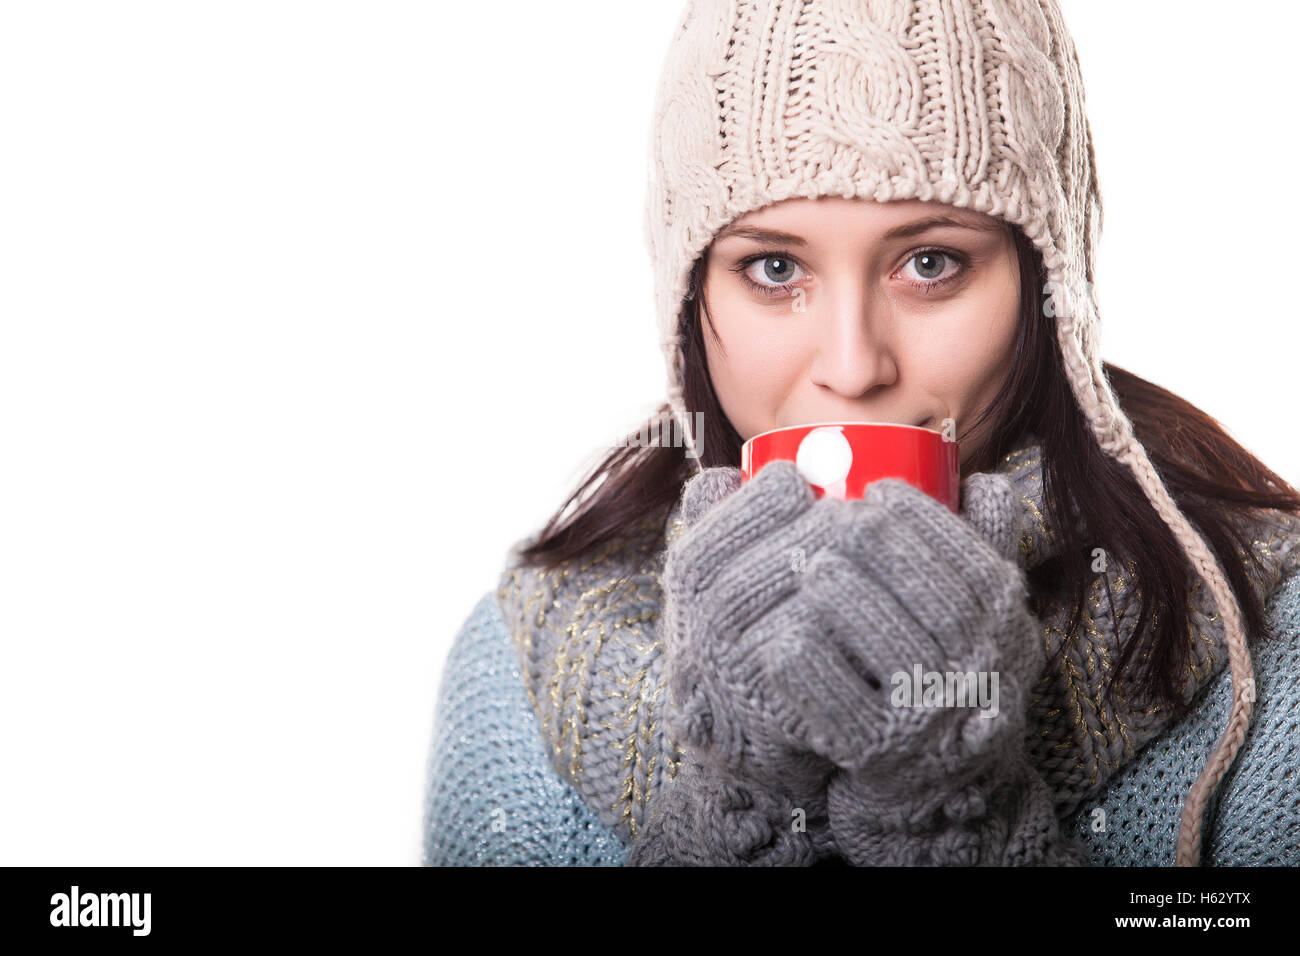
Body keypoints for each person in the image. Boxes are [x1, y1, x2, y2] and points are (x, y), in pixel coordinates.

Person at [421, 0, 1300, 866]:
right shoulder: (517, 673)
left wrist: (952, 823)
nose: (852, 365)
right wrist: (742, 810)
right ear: (688, 299)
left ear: (1051, 285)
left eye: (931, 263)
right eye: (773, 268)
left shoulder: (1269, 647)